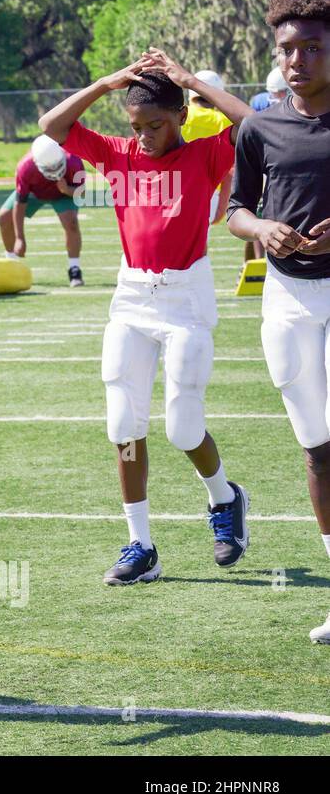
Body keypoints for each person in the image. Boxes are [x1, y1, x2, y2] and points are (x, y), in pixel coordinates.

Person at [38, 48, 254, 586]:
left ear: (182, 115)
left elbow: (258, 126)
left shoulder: (205, 155)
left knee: (183, 426)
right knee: (123, 423)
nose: (145, 136)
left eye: (156, 124)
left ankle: (225, 500)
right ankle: (141, 544)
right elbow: (51, 125)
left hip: (185, 296)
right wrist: (107, 83)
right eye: (137, 126)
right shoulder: (118, 153)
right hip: (132, 296)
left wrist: (190, 81)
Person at [226, 0, 330, 644]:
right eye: (287, 49)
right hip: (287, 297)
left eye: (313, 47)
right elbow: (234, 210)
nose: (298, 59)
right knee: (318, 449)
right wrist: (262, 228)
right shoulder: (258, 125)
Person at [0, 134, 87, 286]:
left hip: (63, 193)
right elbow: (21, 201)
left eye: (57, 166)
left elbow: (82, 192)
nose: (54, 171)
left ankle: (74, 268)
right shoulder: (25, 167)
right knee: (4, 217)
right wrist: (20, 238)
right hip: (35, 192)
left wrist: (66, 190)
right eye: (49, 168)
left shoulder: (74, 161)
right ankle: (11, 262)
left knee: (71, 222)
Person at [181, 69, 234, 224]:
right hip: (210, 194)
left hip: (176, 187)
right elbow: (230, 170)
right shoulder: (224, 120)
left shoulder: (180, 115)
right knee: (199, 243)